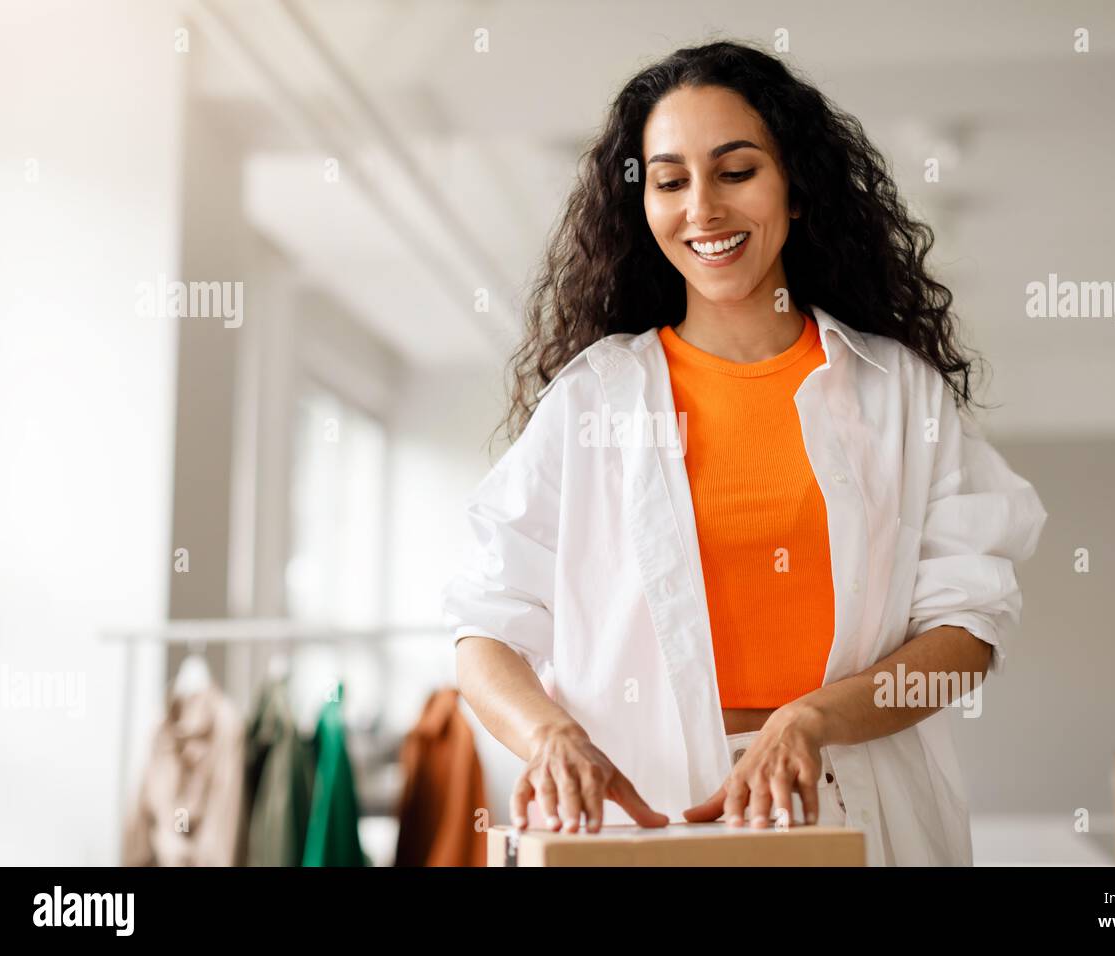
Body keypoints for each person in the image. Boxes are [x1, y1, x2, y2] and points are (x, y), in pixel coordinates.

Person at [442, 40, 1048, 866]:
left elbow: (968, 633)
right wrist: (550, 735)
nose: (703, 209)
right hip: (648, 823)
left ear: (796, 188)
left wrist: (811, 720)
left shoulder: (897, 392)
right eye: (670, 180)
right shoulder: (594, 401)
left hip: (861, 817)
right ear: (642, 204)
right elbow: (483, 628)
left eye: (736, 172)